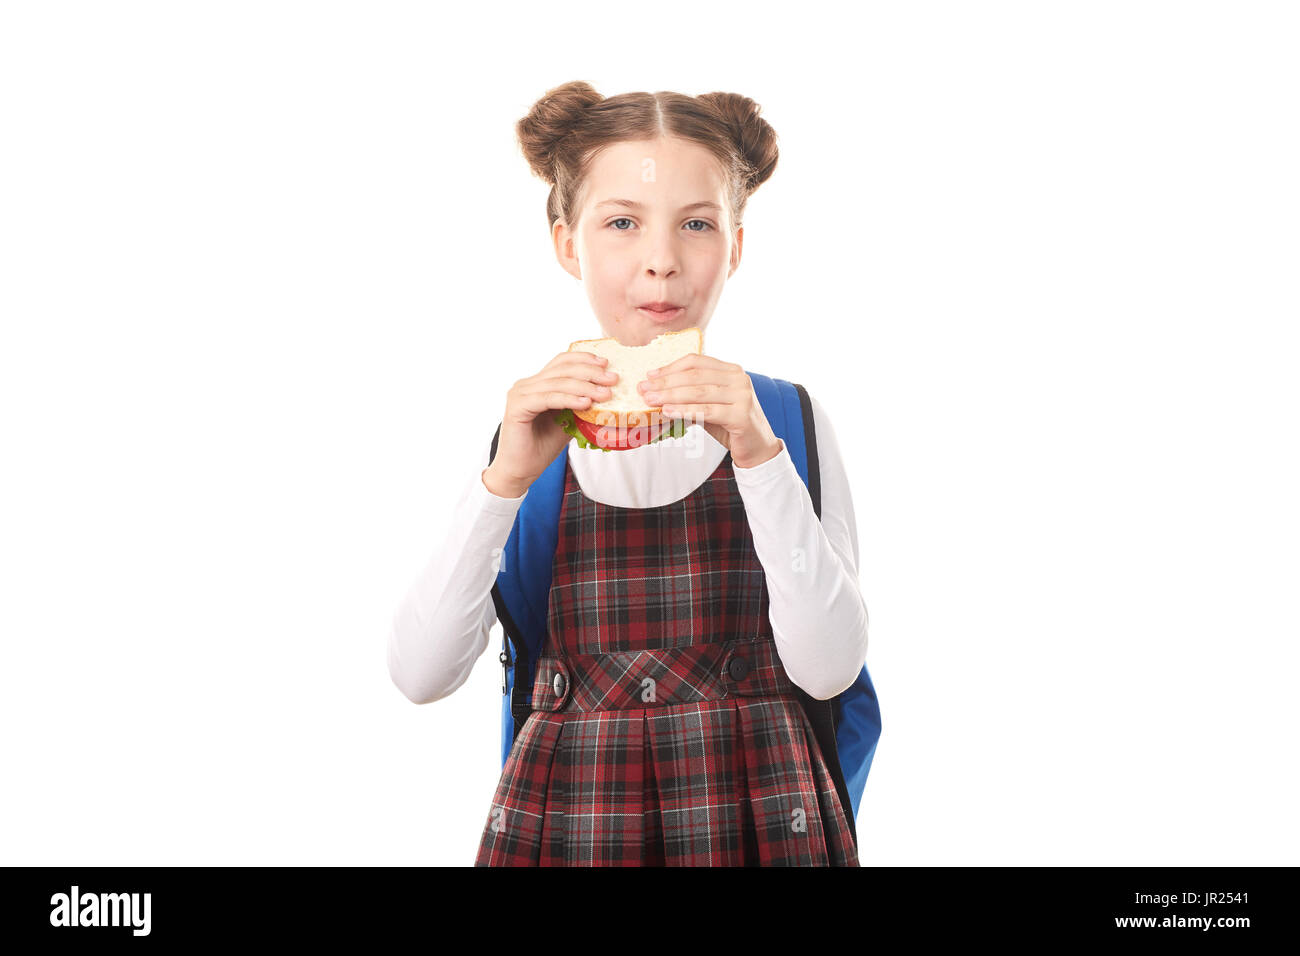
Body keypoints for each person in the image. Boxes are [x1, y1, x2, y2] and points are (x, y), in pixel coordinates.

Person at [389, 81, 870, 865]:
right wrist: (502, 483)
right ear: (566, 244)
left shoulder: (786, 421)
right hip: (577, 823)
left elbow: (828, 671)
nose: (661, 263)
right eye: (622, 223)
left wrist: (758, 455)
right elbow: (419, 675)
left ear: (737, 245)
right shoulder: (529, 439)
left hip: (757, 823)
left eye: (697, 224)